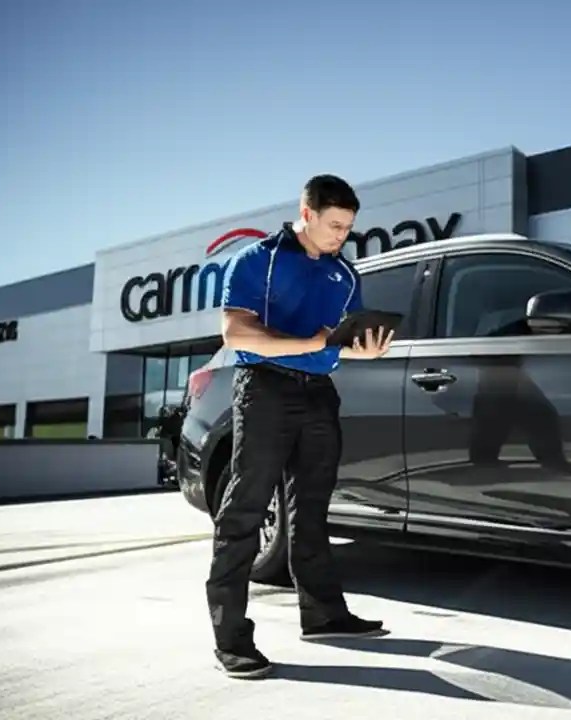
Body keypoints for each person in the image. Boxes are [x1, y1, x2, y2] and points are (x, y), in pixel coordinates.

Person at [206, 174, 395, 679]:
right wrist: (311, 344)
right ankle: (231, 639)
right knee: (245, 509)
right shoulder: (255, 260)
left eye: (348, 227)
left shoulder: (346, 274)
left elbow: (339, 341)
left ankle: (323, 614)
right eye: (334, 225)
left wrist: (365, 349)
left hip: (318, 394)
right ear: (306, 213)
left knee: (311, 509)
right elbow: (237, 332)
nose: (341, 236)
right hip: (263, 388)